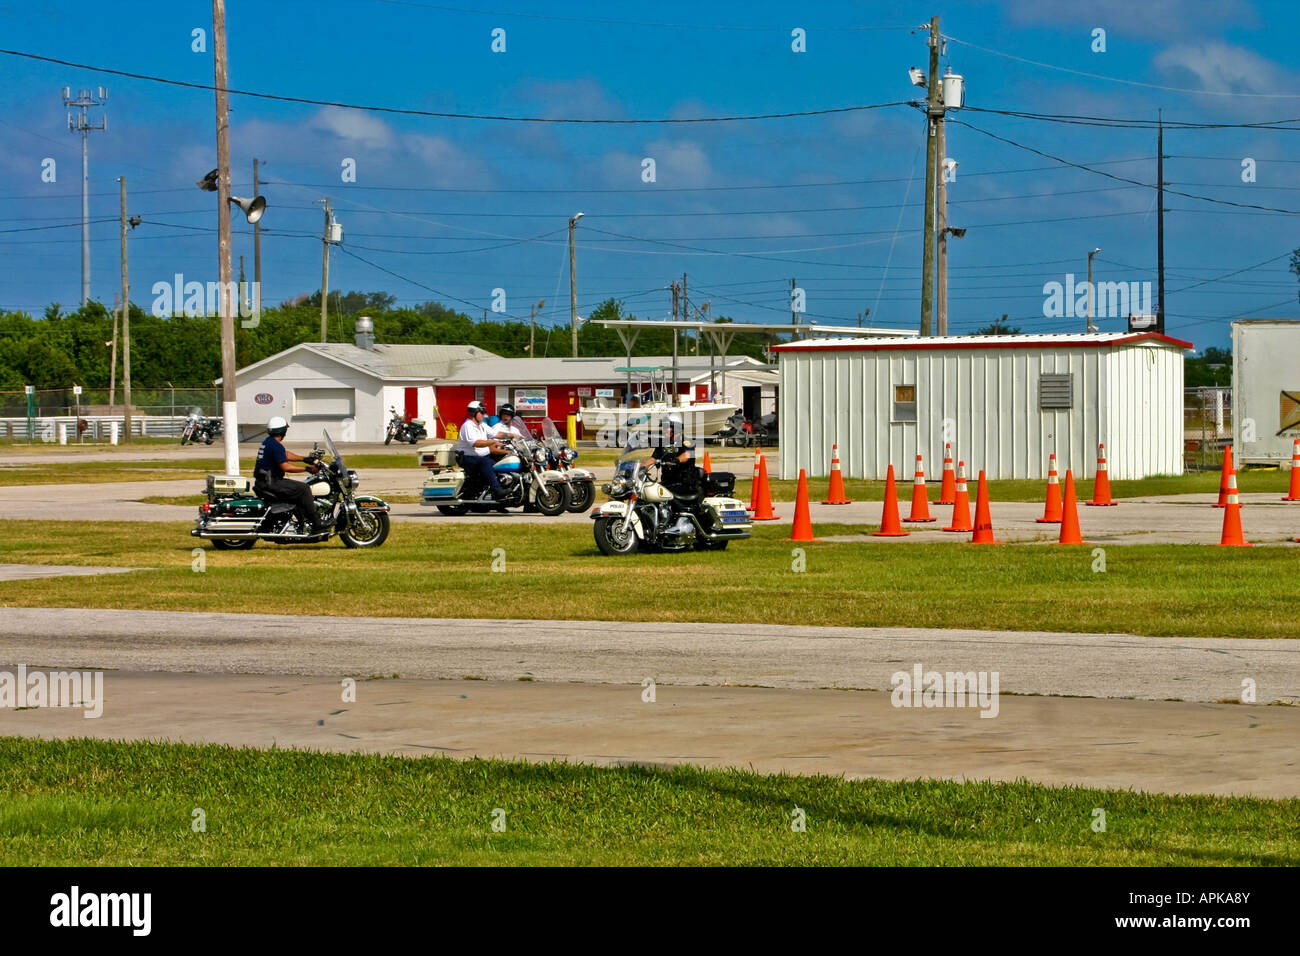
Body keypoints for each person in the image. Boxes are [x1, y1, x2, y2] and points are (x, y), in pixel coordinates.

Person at [253, 416, 329, 535]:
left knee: (296, 489)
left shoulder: (269, 442)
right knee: (304, 488)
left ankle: (302, 521)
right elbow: (286, 466)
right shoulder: (275, 445)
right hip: (271, 483)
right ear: (282, 431)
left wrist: (305, 459)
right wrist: (307, 469)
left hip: (264, 482)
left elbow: (285, 454)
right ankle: (317, 524)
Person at [456, 400, 507, 501]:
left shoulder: (482, 425)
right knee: (486, 462)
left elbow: (496, 434)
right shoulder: (468, 426)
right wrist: (492, 442)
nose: (484, 415)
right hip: (468, 458)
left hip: (479, 457)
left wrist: (513, 436)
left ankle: (500, 494)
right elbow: (476, 443)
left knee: (501, 463)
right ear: (474, 413)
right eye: (482, 412)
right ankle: (497, 491)